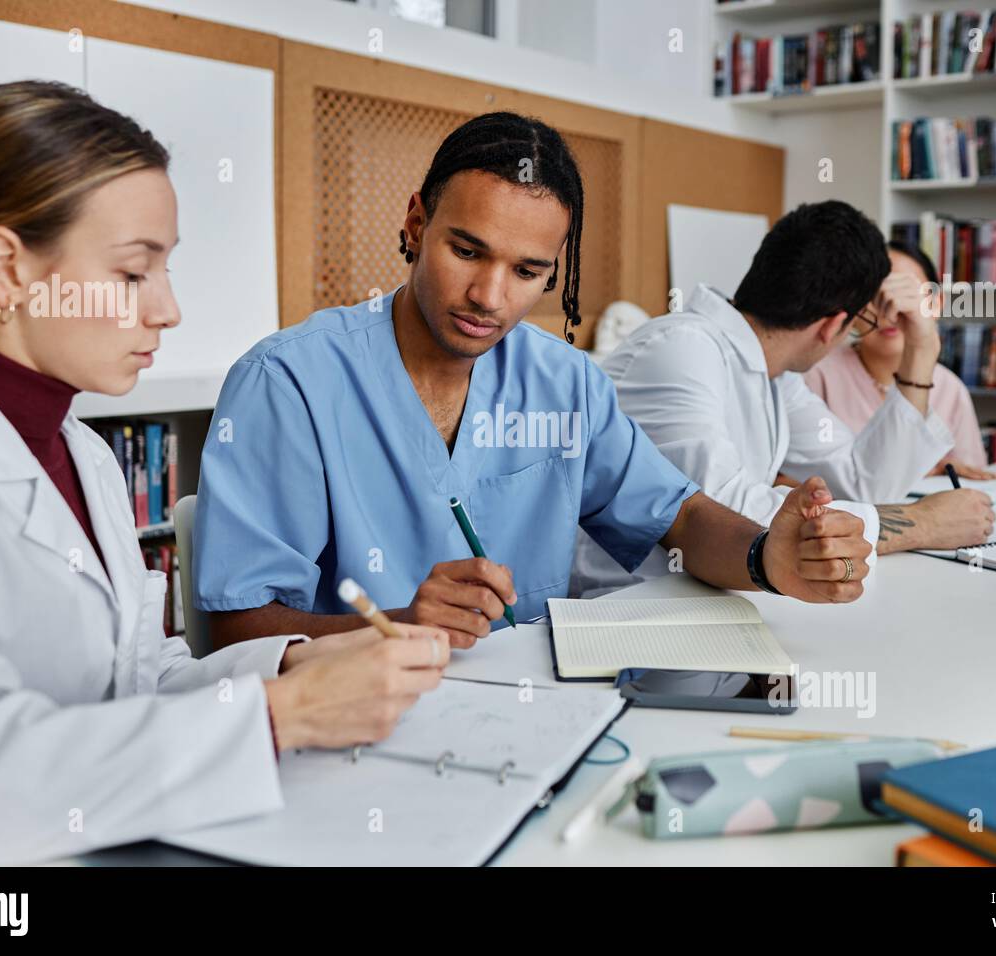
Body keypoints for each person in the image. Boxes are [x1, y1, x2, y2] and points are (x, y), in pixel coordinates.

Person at [0, 81, 449, 866]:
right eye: (133, 274)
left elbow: (133, 684)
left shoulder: (82, 455)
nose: (168, 309)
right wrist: (280, 718)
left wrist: (290, 664)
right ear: (7, 268)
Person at [194, 113, 873, 652]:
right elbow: (234, 630)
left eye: (527, 271)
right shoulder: (289, 383)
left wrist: (764, 558)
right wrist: (399, 624)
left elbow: (680, 516)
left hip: (530, 719)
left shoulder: (565, 384)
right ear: (415, 224)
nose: (489, 296)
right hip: (354, 722)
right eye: (467, 251)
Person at [572, 200, 995, 597]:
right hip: (623, 610)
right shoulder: (681, 348)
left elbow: (864, 482)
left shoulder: (775, 375)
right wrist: (919, 524)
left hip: (704, 605)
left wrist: (921, 351)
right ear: (833, 327)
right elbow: (724, 519)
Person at [805, 241, 996, 479]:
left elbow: (974, 478)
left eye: (907, 293)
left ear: (936, 304)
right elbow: (785, 479)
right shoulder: (815, 376)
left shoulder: (951, 389)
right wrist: (928, 471)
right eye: (876, 295)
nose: (891, 310)